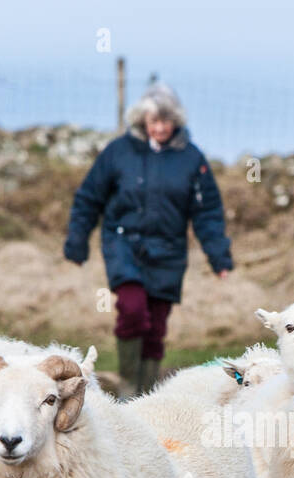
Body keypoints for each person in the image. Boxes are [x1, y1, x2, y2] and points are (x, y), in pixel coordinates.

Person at [63, 84, 233, 396]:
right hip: (123, 244)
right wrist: (77, 240)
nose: (159, 128)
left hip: (169, 251)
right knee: (131, 308)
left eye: (166, 122)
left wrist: (219, 257)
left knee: (155, 327)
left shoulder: (192, 159)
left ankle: (147, 392)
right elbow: (89, 196)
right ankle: (128, 384)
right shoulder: (119, 152)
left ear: (176, 121)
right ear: (142, 119)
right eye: (153, 121)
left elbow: (207, 212)